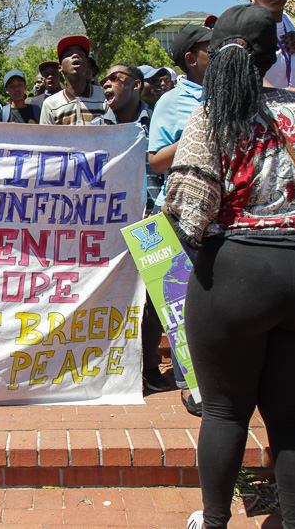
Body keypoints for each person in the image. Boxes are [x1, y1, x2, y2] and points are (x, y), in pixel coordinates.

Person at [164, 5, 295, 528]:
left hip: (236, 274)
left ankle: (214, 519)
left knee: (225, 412)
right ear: (272, 54)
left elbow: (188, 207)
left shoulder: (211, 113)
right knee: (294, 417)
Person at [148, 24, 212, 417]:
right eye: (211, 49)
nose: (220, 54)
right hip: (178, 214)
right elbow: (155, 160)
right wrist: (199, 129)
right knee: (179, 301)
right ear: (191, 58)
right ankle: (193, 383)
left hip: (227, 216)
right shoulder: (172, 103)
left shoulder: (237, 94)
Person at [93, 64, 169, 393]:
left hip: (154, 219)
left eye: (115, 79)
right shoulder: (96, 128)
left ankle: (149, 366)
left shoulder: (159, 122)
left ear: (137, 85)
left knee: (153, 298)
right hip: (107, 225)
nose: (107, 84)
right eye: (104, 81)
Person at [40, 35, 108, 125]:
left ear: (87, 64)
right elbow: (45, 138)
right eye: (68, 54)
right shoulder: (50, 104)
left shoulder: (104, 96)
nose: (75, 55)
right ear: (60, 68)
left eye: (81, 54)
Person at [249, 0, 295, 91]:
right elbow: (245, 73)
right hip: (268, 104)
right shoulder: (247, 27)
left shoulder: (287, 21)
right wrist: (280, 93)